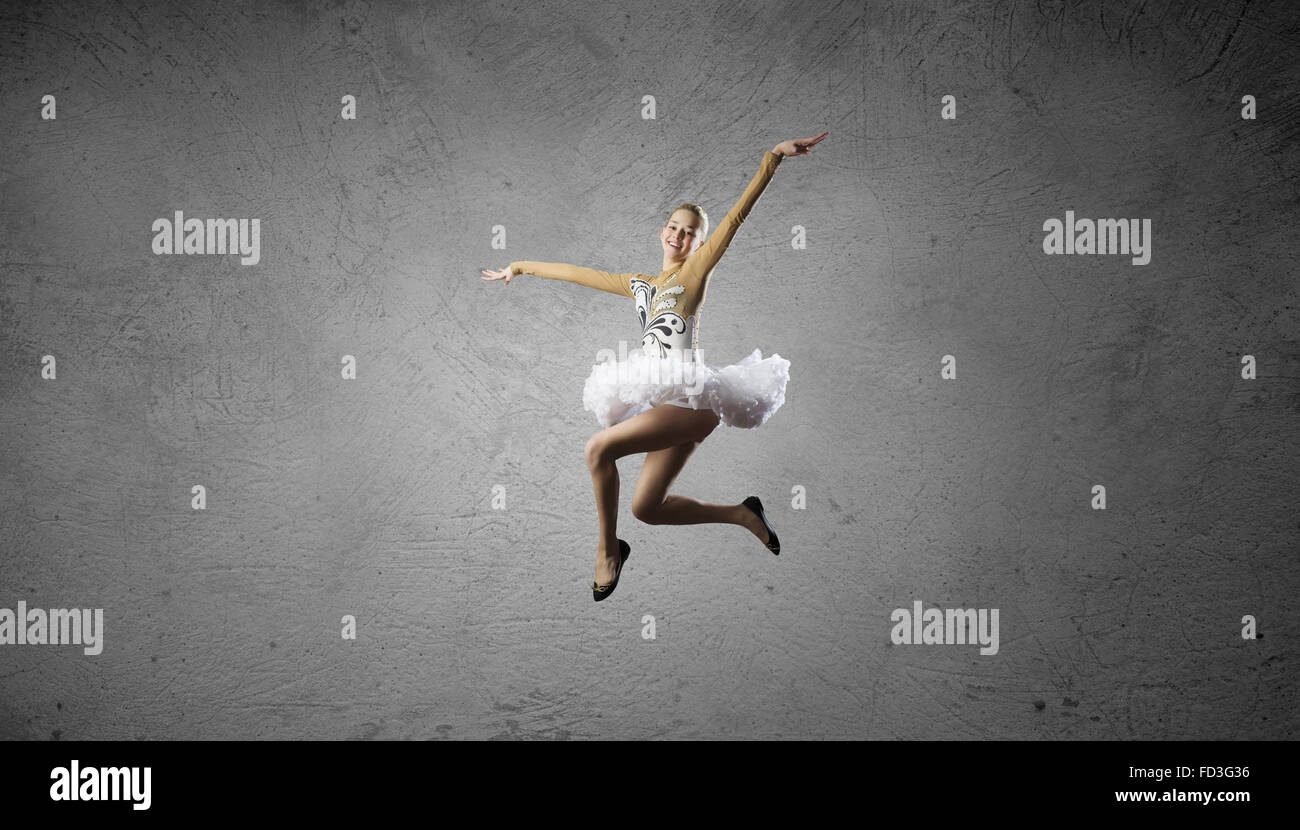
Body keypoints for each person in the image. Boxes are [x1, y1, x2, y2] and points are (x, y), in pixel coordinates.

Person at [482, 131, 827, 600]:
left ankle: (608, 551)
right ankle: (743, 513)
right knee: (648, 507)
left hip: (693, 400)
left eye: (690, 232)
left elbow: (736, 217)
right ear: (662, 231)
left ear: (697, 244)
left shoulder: (695, 271)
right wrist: (519, 266)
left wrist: (773, 159)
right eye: (674, 226)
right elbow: (577, 273)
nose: (679, 235)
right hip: (671, 406)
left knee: (597, 449)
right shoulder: (640, 284)